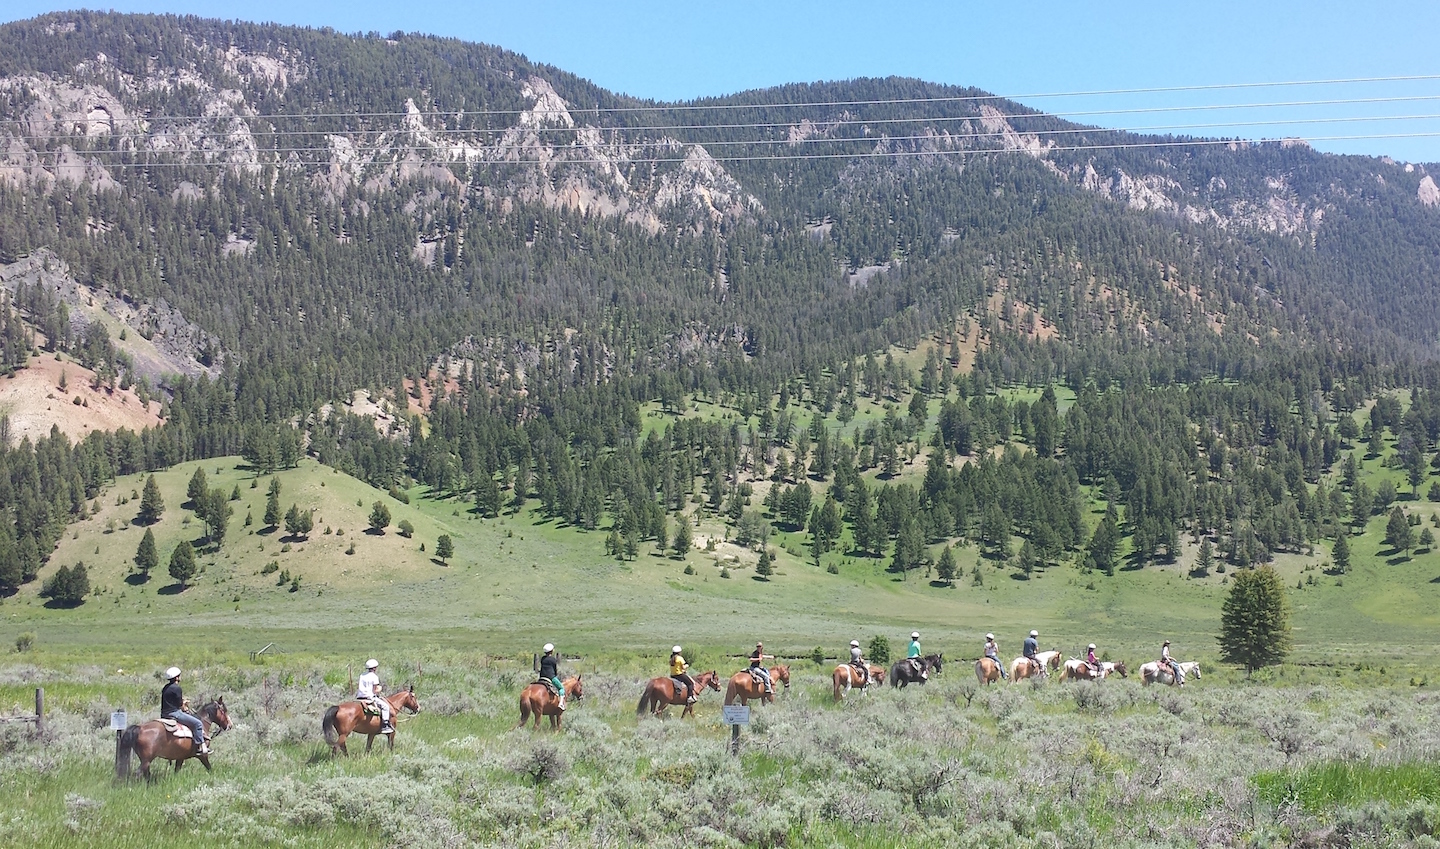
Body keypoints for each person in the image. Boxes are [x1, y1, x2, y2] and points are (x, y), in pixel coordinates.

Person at [160, 666, 210, 755]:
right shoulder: (177, 688)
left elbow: (171, 701)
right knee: (198, 723)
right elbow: (179, 705)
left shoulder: (165, 688)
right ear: (176, 677)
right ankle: (200, 746)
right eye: (179, 675)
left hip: (164, 714)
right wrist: (184, 704)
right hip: (174, 713)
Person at [356, 658, 394, 734]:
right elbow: (375, 690)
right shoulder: (374, 676)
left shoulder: (362, 675)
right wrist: (379, 689)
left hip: (360, 697)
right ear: (374, 668)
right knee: (385, 707)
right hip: (370, 697)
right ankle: (385, 725)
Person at [539, 643, 566, 710]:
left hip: (542, 677)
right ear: (551, 651)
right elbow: (554, 669)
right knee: (561, 688)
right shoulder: (553, 659)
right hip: (551, 677)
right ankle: (561, 703)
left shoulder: (542, 659)